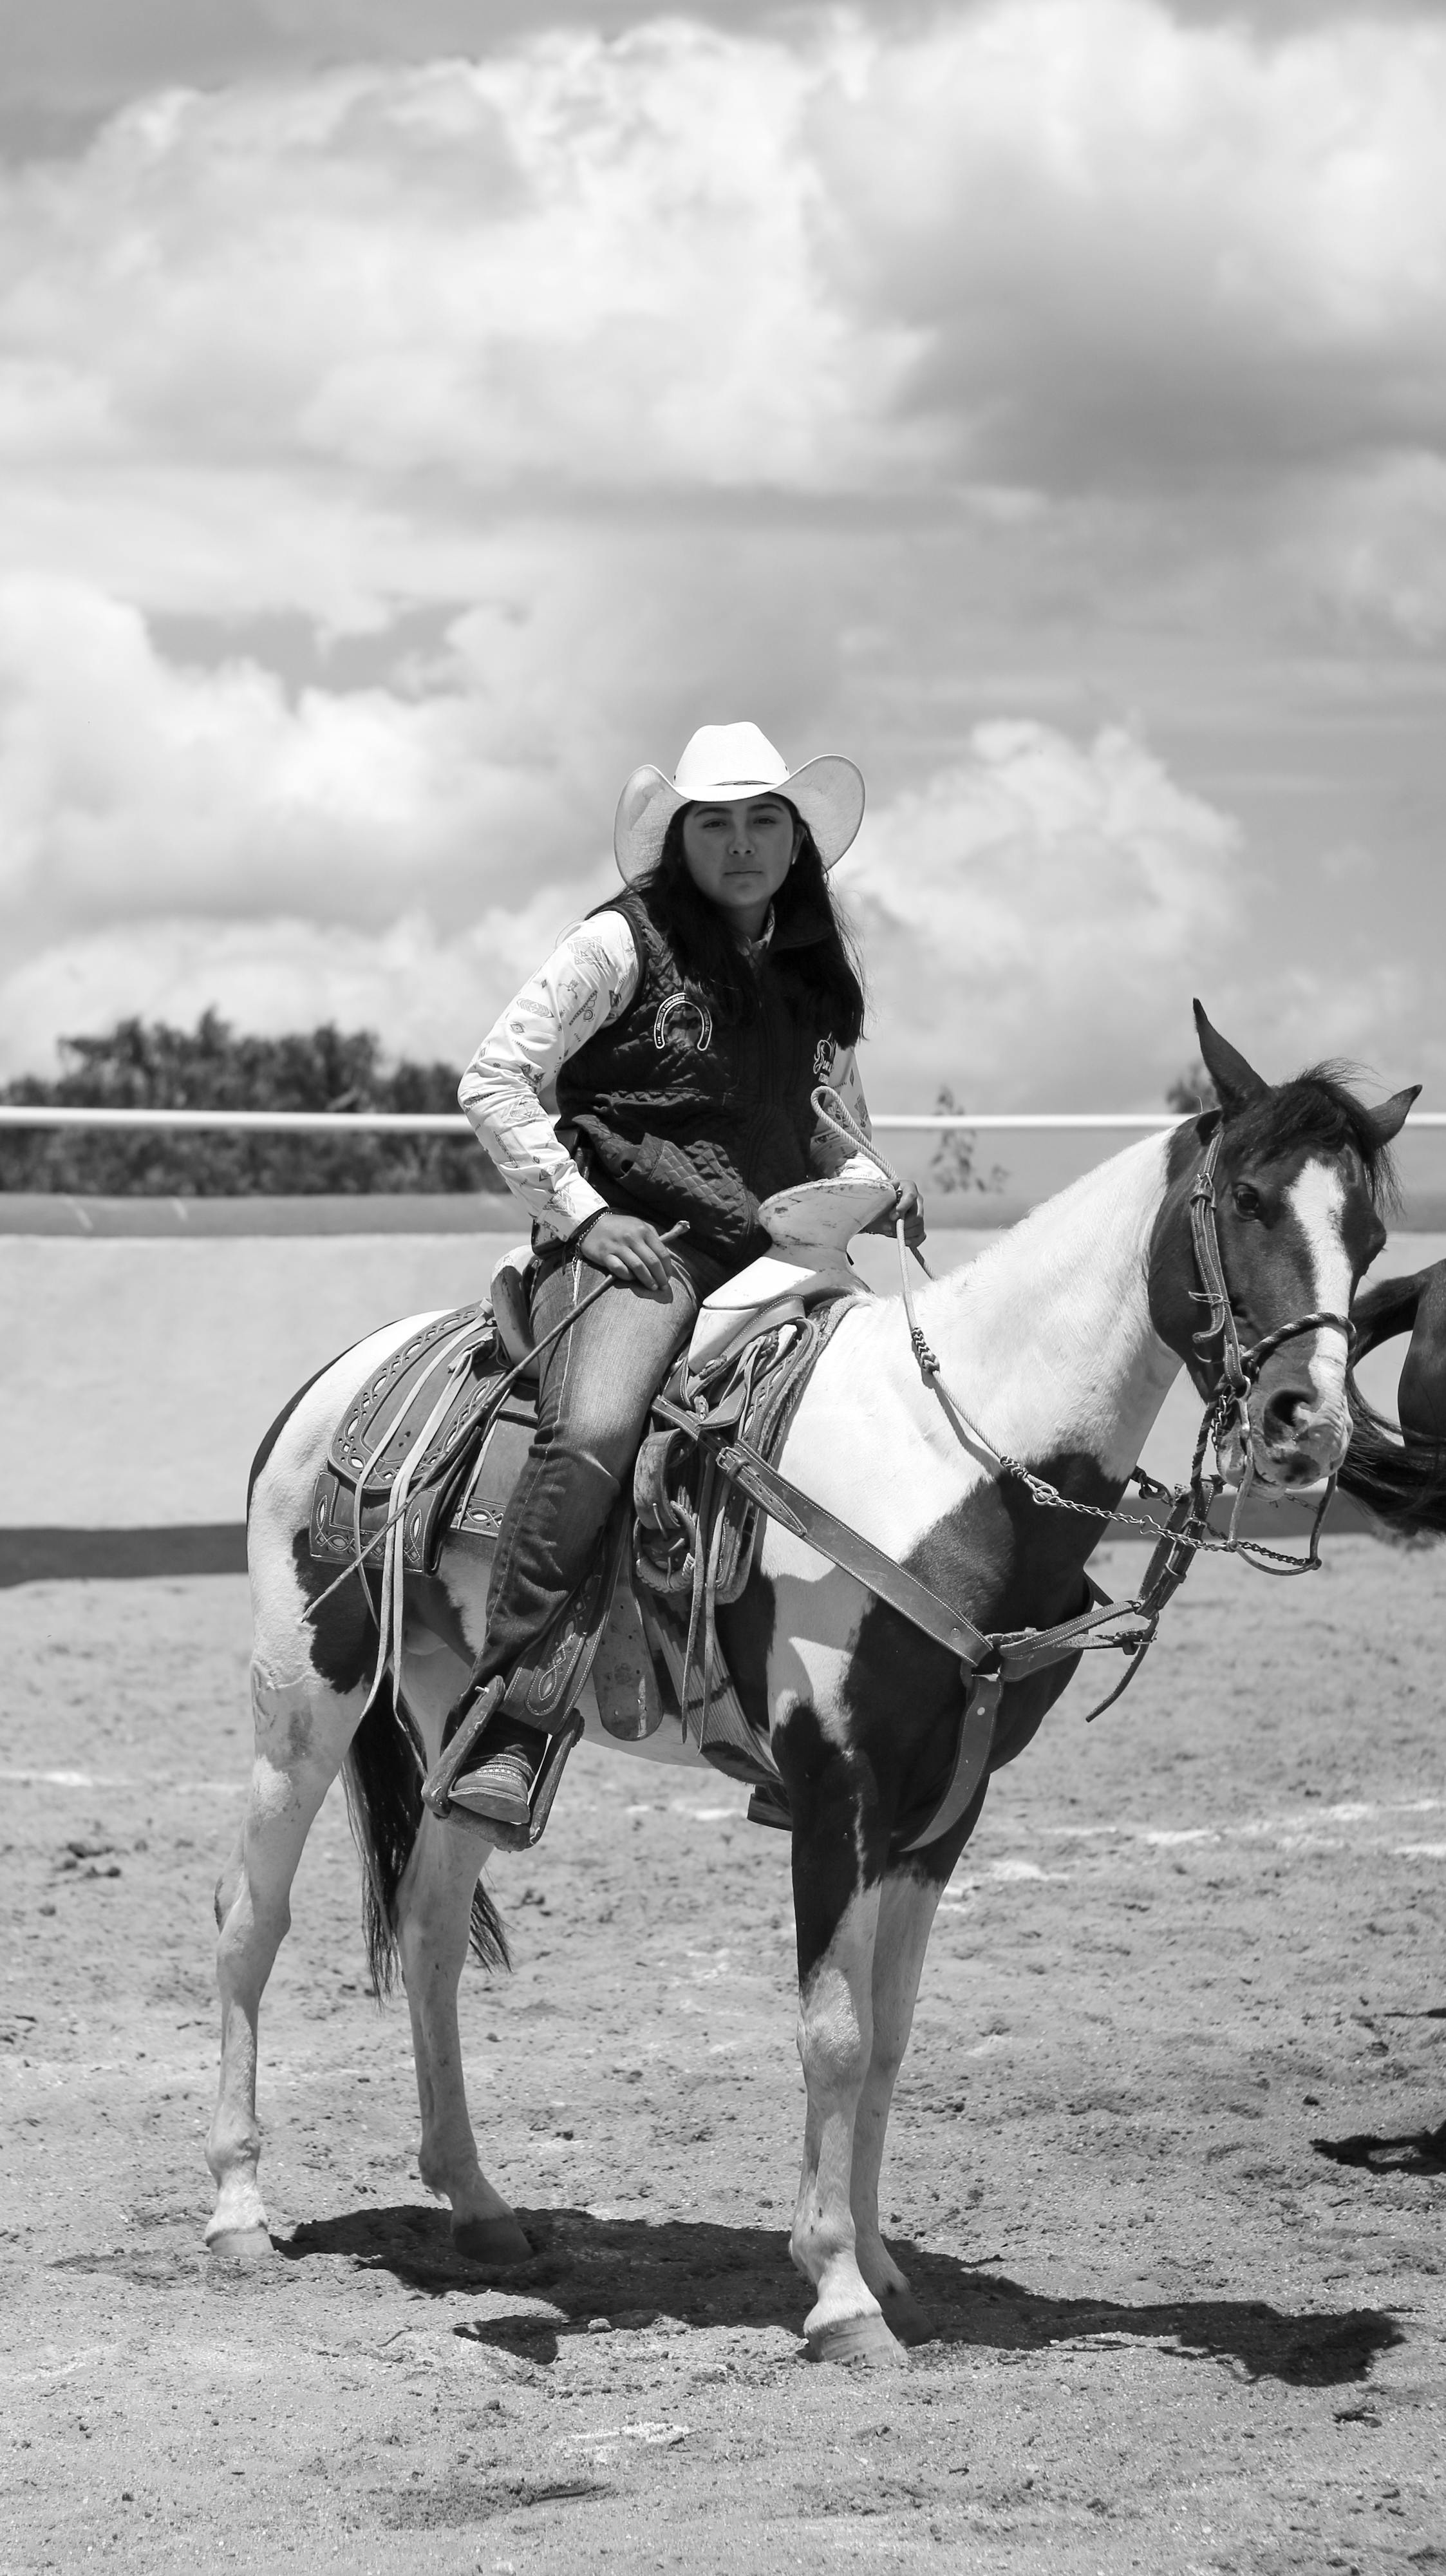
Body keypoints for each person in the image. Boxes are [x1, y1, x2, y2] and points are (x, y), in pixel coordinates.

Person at [447, 720, 923, 1833]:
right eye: (717, 822)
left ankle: (775, 1712)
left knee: (887, 1420)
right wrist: (586, 1215)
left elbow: (832, 1126)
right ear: (681, 837)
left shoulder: (813, 972)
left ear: (796, 840)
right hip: (643, 1247)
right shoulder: (618, 945)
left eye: (765, 821)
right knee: (602, 1429)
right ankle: (510, 1713)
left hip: (779, 1250)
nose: (743, 843)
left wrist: (872, 1182)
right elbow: (494, 1079)